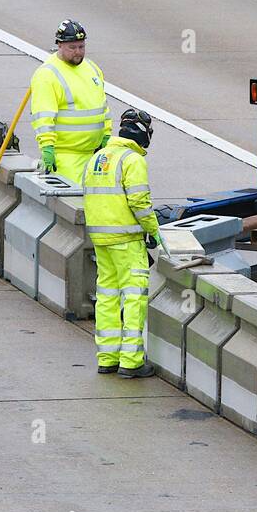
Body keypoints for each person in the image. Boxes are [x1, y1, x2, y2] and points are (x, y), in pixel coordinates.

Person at [82, 108, 162, 377]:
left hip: (101, 239)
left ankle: (107, 357)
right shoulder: (132, 160)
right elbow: (139, 201)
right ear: (143, 133)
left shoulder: (98, 157)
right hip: (127, 240)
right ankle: (131, 361)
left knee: (107, 297)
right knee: (134, 297)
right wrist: (153, 229)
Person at [30, 19, 111, 183]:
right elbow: (43, 117)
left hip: (95, 155)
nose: (78, 52)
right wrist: (47, 148)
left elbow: (103, 107)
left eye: (81, 47)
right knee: (73, 206)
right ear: (59, 45)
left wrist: (106, 136)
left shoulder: (92, 68)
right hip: (65, 158)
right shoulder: (47, 74)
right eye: (72, 47)